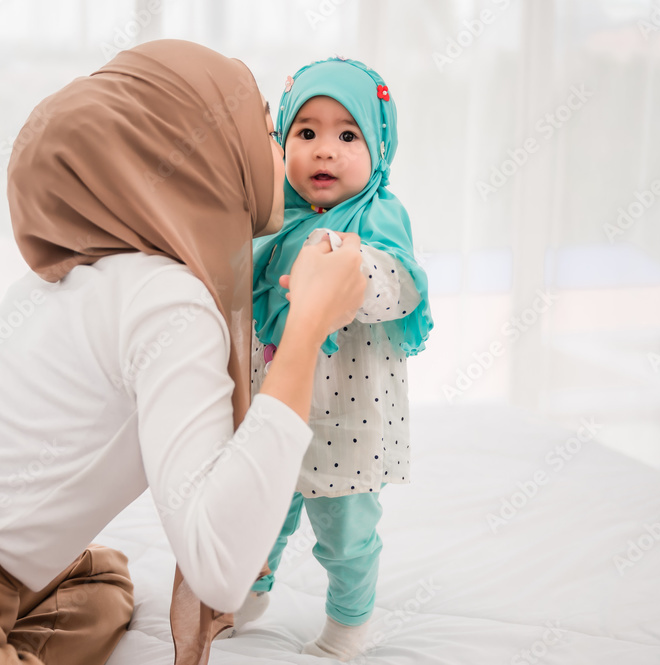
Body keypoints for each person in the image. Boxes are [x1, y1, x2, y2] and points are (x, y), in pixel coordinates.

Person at [0, 40, 368, 665]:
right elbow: (219, 568)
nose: (281, 151)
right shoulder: (170, 301)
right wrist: (308, 326)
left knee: (103, 588)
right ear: (200, 155)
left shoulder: (75, 274)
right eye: (266, 130)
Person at [242, 56, 434, 660]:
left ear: (380, 146)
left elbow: (403, 289)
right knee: (255, 512)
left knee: (345, 533)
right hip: (271, 404)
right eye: (306, 132)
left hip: (347, 420)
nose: (325, 150)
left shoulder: (378, 219)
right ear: (281, 144)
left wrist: (353, 269)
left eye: (349, 135)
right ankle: (245, 595)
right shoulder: (269, 217)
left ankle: (347, 623)